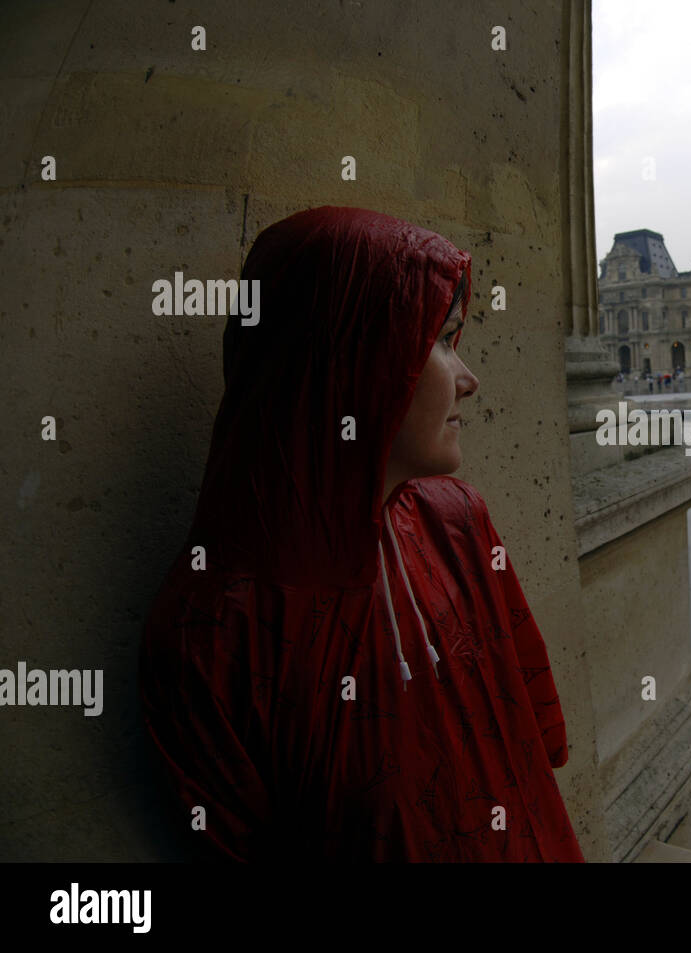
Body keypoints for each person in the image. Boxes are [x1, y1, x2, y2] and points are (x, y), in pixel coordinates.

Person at [138, 207, 584, 862]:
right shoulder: (207, 633)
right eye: (441, 340)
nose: (469, 377)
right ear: (352, 361)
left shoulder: (458, 518)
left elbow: (534, 735)